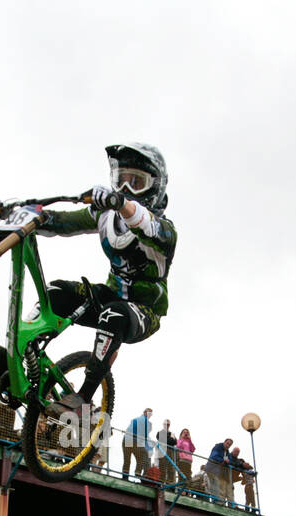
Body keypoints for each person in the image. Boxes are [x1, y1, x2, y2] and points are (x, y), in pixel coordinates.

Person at [34, 143, 176, 418]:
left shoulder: (165, 231)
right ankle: (28, 356)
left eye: (136, 182)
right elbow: (63, 222)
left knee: (114, 315)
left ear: (154, 188)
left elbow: (147, 226)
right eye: (121, 180)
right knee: (56, 292)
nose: (125, 188)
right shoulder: (105, 216)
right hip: (110, 295)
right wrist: (27, 215)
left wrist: (122, 203)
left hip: (144, 312)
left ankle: (84, 398)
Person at [122, 408, 152, 479]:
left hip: (126, 439)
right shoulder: (146, 421)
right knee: (143, 456)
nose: (150, 415)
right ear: (145, 412)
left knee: (127, 460)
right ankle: (137, 473)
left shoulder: (135, 419)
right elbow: (145, 435)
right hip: (134, 440)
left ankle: (125, 477)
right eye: (149, 413)